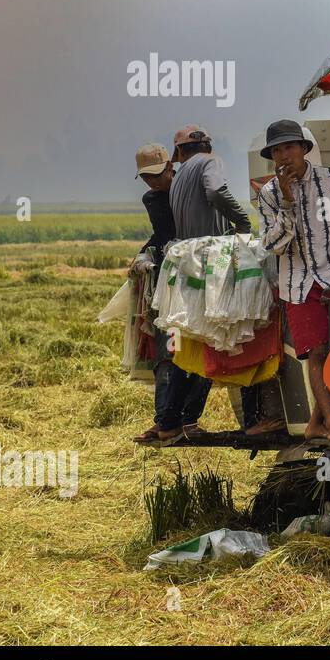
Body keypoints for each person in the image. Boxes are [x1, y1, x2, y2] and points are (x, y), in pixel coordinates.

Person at [256, 120, 330, 441]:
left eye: (289, 147)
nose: (284, 156)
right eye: (277, 150)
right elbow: (273, 244)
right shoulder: (268, 194)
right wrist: (288, 203)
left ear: (304, 149)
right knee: (318, 352)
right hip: (300, 282)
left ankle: (315, 423)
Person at [166, 125, 272, 437]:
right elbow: (214, 191)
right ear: (207, 146)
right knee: (237, 331)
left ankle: (176, 420)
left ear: (180, 153)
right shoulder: (211, 162)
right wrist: (241, 221)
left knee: (196, 342)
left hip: (187, 262)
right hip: (214, 258)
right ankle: (253, 421)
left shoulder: (179, 175)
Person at [128, 143, 212, 444]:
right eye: (147, 177)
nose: (153, 182)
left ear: (170, 167)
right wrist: (143, 254)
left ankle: (182, 420)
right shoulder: (153, 199)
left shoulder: (192, 192)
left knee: (203, 352)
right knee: (170, 354)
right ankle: (166, 421)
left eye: (157, 174)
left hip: (200, 278)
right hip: (172, 284)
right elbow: (165, 235)